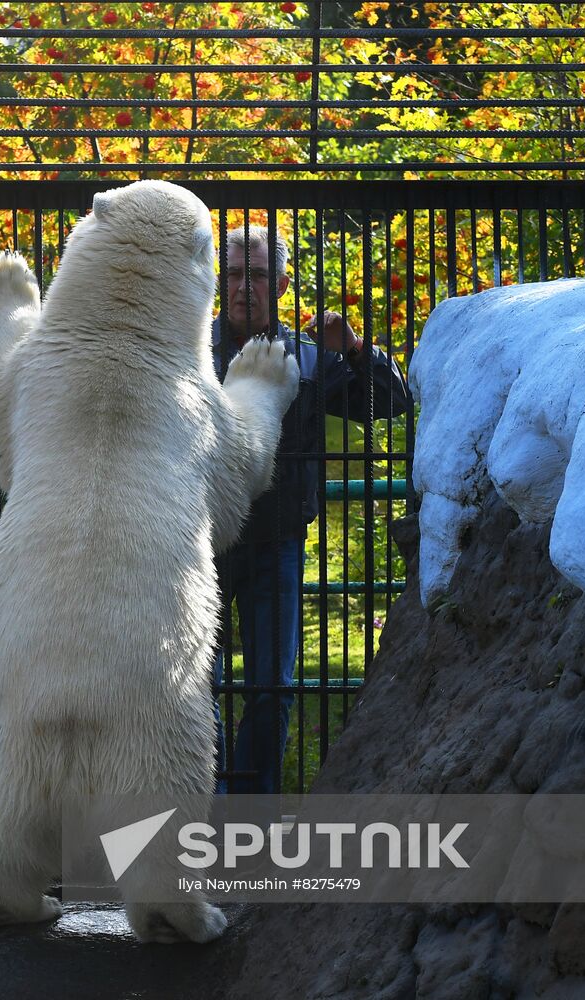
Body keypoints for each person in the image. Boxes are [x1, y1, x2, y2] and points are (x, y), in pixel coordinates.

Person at [211, 227, 412, 794]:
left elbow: (390, 403)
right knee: (197, 686)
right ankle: (210, 813)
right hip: (200, 545)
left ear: (280, 284)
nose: (243, 287)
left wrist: (352, 350)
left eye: (255, 276)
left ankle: (252, 819)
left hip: (277, 542)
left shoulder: (305, 357)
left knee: (272, 688)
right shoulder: (194, 354)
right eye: (232, 275)